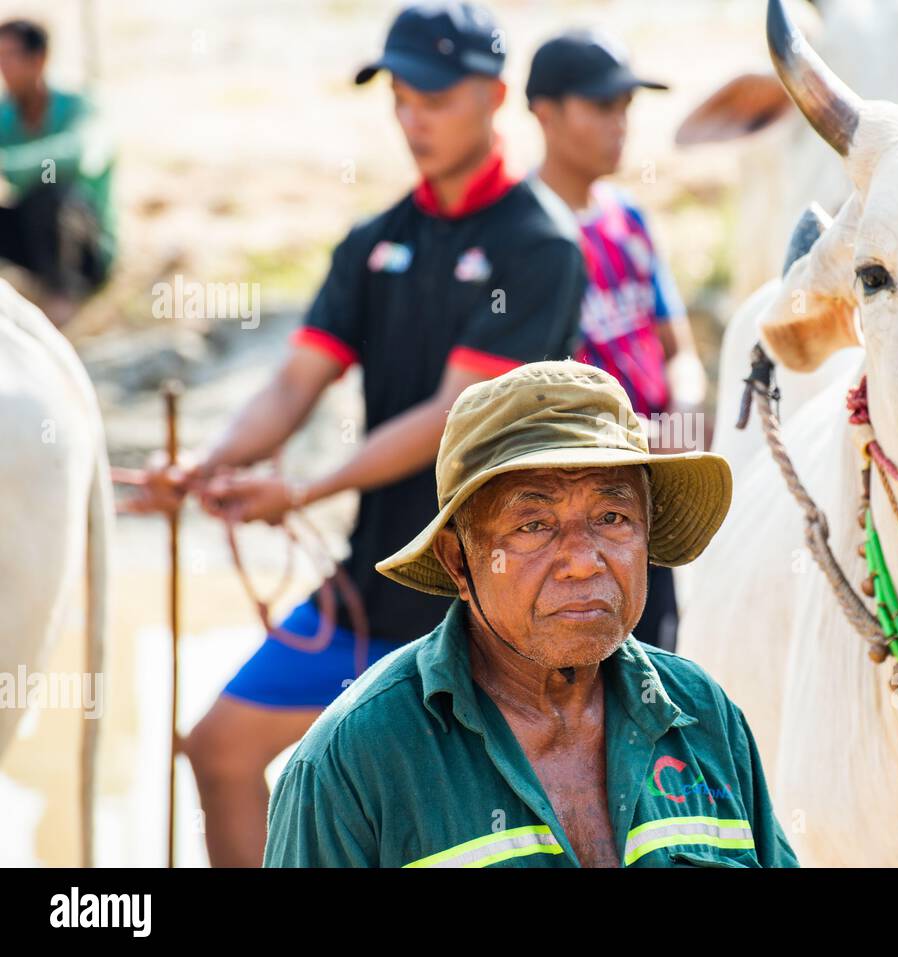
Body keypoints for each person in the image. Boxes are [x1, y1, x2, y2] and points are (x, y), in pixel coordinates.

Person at [126, 2, 588, 867]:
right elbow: (294, 380)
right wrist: (207, 465)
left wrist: (302, 489)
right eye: (401, 96)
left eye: (436, 97)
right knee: (218, 748)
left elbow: (456, 415)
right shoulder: (373, 242)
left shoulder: (540, 246)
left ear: (493, 96)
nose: (413, 117)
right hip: (372, 586)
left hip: (487, 602)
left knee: (457, 825)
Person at [263, 360, 798, 868]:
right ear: (459, 561)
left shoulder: (702, 716)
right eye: (533, 525)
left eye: (612, 517)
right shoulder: (354, 761)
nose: (583, 562)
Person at [526, 28, 707, 652]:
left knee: (656, 655)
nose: (620, 123)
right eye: (603, 106)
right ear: (544, 113)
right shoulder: (521, 237)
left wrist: (683, 419)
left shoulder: (628, 219)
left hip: (650, 488)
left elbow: (676, 346)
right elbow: (522, 395)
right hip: (573, 505)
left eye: (626, 107)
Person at [0, 19, 114, 328]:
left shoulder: (79, 106)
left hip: (84, 246)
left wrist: (7, 162)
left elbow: (79, 155)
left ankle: (62, 298)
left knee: (50, 190)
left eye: (11, 56)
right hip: (31, 243)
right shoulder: (5, 115)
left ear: (39, 59)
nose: (4, 67)